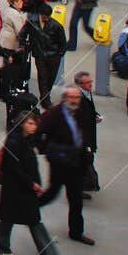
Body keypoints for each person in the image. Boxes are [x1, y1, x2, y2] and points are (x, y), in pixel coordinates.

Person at [0, 110, 63, 255]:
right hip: (15, 187)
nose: (34, 127)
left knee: (18, 217)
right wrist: (32, 184)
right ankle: (47, 254)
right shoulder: (14, 142)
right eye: (30, 123)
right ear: (22, 124)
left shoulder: (27, 140)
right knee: (22, 218)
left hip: (23, 187)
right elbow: (14, 167)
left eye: (34, 123)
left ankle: (3, 245)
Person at [36, 84, 96, 246]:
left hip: (76, 163)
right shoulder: (54, 114)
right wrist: (47, 150)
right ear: (64, 99)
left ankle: (76, 232)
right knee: (52, 192)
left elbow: (84, 132)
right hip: (60, 163)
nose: (75, 100)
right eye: (72, 97)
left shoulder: (79, 112)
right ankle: (31, 209)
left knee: (76, 200)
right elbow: (40, 132)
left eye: (77, 97)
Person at [20, 5, 67, 105]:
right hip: (39, 54)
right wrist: (24, 45)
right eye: (44, 16)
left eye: (48, 16)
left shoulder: (56, 26)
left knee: (51, 77)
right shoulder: (32, 23)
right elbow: (23, 33)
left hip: (53, 56)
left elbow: (62, 42)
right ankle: (45, 99)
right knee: (42, 76)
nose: (46, 18)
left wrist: (59, 54)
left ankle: (45, 95)